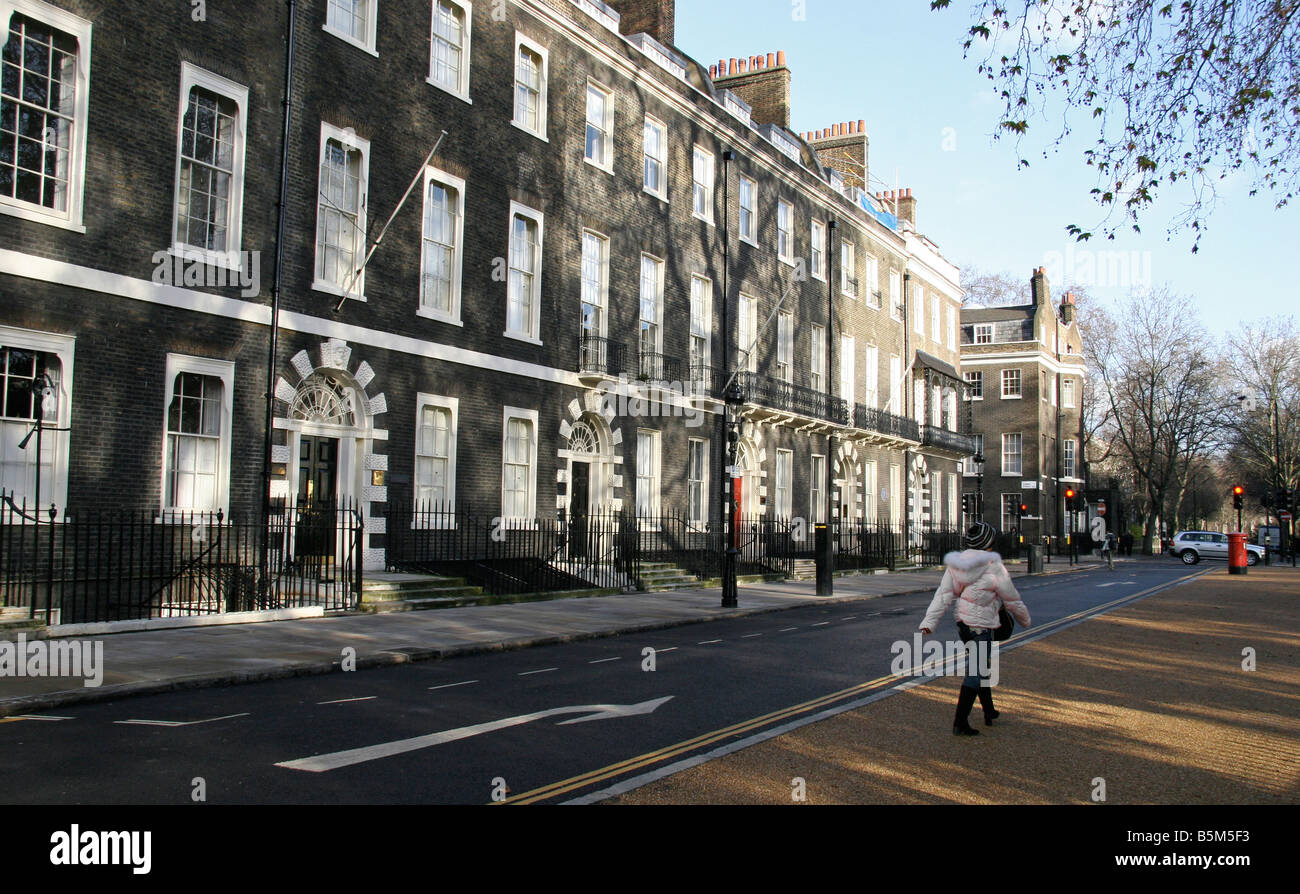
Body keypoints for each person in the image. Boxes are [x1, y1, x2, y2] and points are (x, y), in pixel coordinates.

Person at [919, 521, 1033, 735]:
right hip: (982, 625)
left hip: (964, 625)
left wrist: (929, 621)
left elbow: (943, 595)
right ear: (988, 543)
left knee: (981, 667)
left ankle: (989, 711)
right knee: (976, 671)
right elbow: (1012, 599)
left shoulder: (957, 565)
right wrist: (1025, 619)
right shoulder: (994, 566)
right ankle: (960, 722)